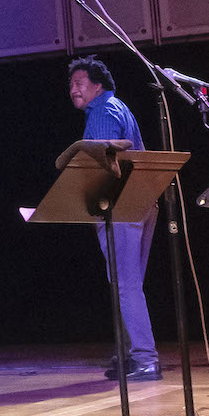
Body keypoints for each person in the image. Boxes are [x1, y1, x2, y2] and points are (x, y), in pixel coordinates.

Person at [66, 56, 160, 381]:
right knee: (129, 286)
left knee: (126, 286)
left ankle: (145, 360)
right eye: (71, 85)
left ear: (98, 85)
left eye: (79, 83)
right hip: (143, 202)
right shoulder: (118, 107)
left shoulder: (103, 112)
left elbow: (106, 165)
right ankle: (130, 356)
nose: (73, 89)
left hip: (122, 206)